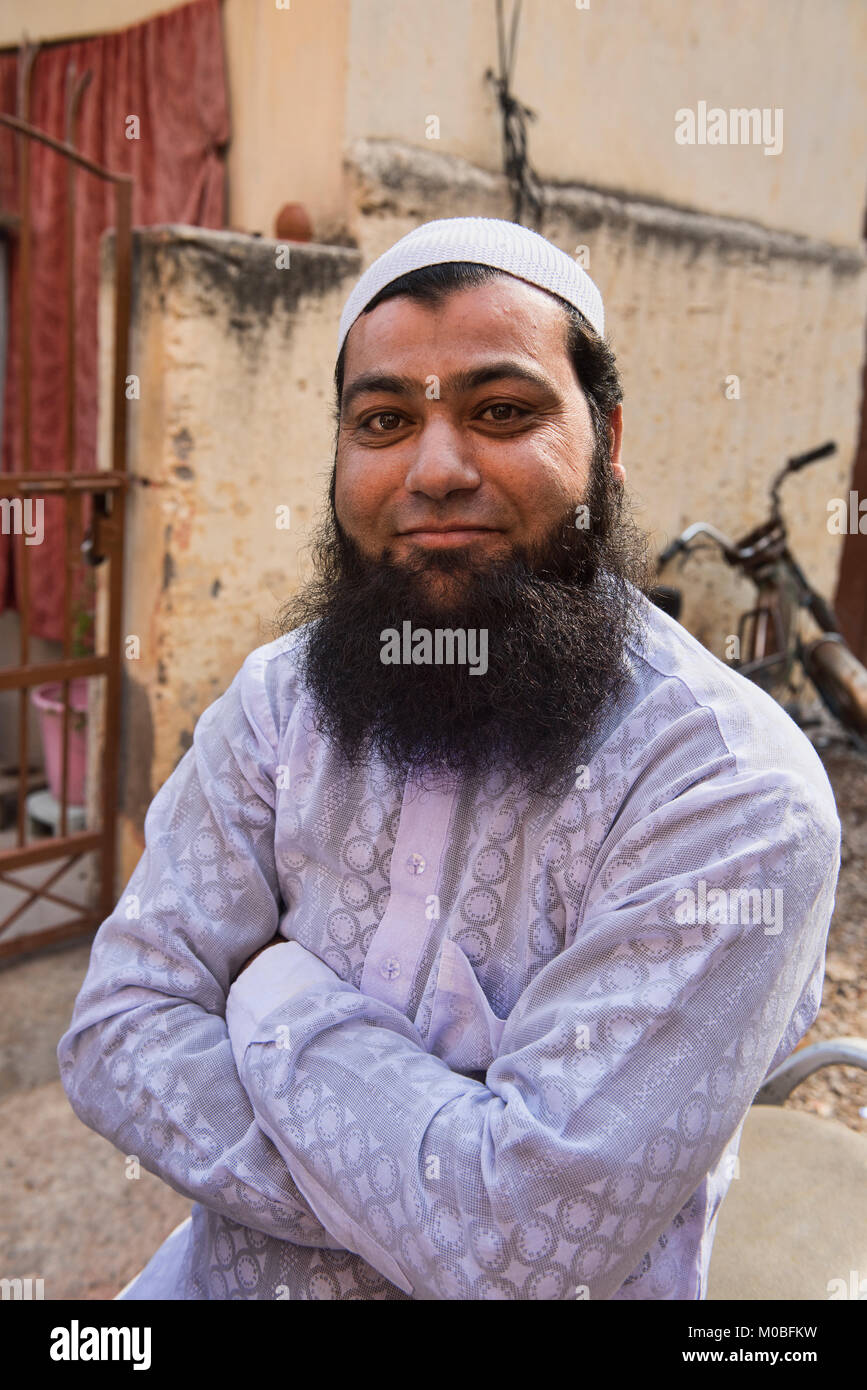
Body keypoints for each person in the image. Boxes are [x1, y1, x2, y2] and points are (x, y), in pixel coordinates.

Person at [58, 217, 840, 1300]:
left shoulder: (729, 790)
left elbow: (521, 1254)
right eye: (382, 420)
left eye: (501, 411)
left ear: (607, 441)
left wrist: (267, 988)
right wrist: (428, 1199)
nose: (434, 469)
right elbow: (114, 1031)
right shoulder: (281, 702)